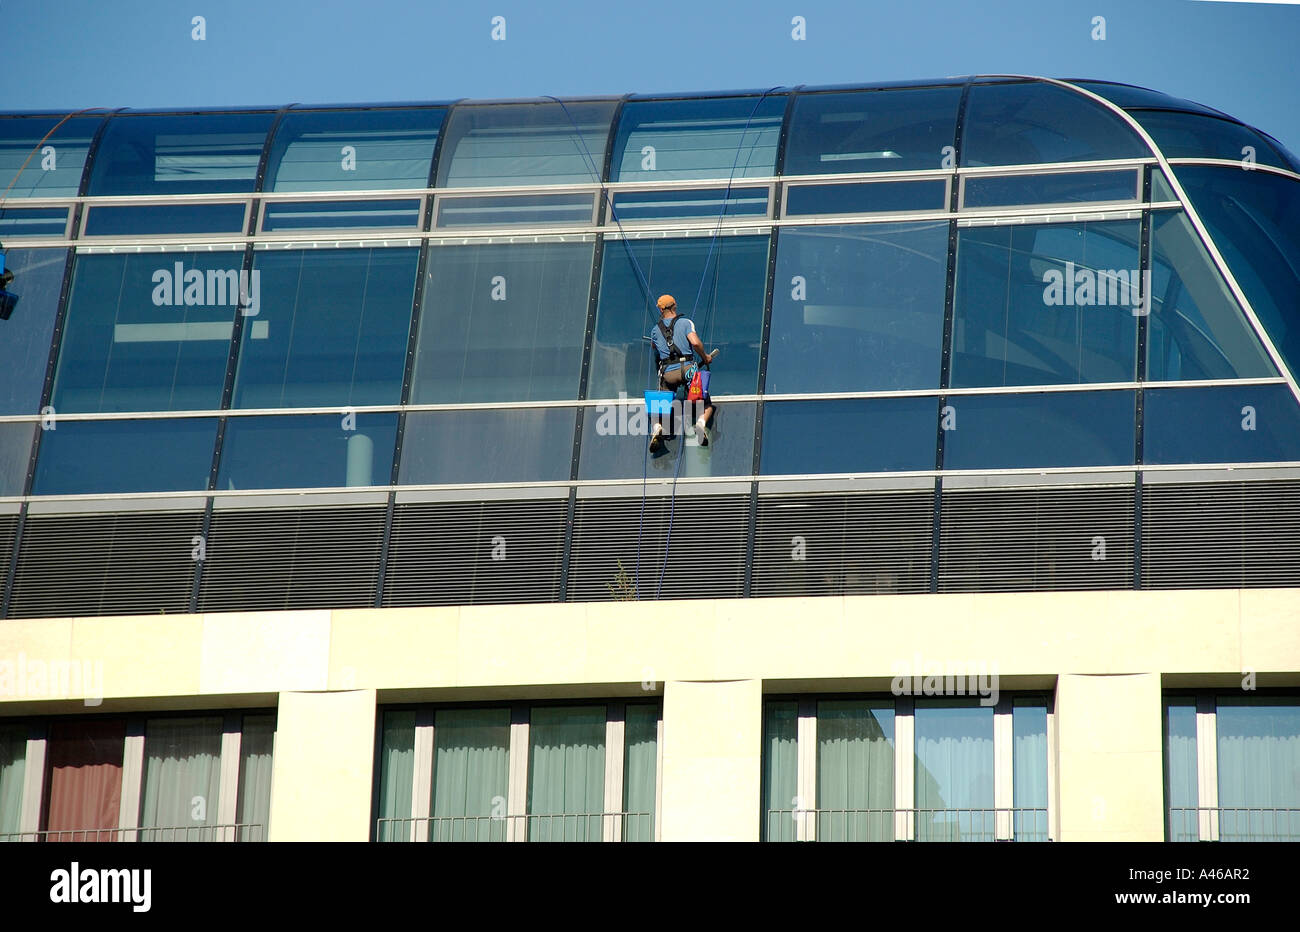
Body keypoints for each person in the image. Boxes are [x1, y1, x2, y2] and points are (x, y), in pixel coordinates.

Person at [647, 294, 718, 453]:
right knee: (705, 404)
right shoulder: (685, 323)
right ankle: (700, 425)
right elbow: (695, 342)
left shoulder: (655, 329)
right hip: (687, 369)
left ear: (660, 310)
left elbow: (654, 347)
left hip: (667, 372)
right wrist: (705, 357)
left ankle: (657, 428)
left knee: (659, 406)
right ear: (675, 306)